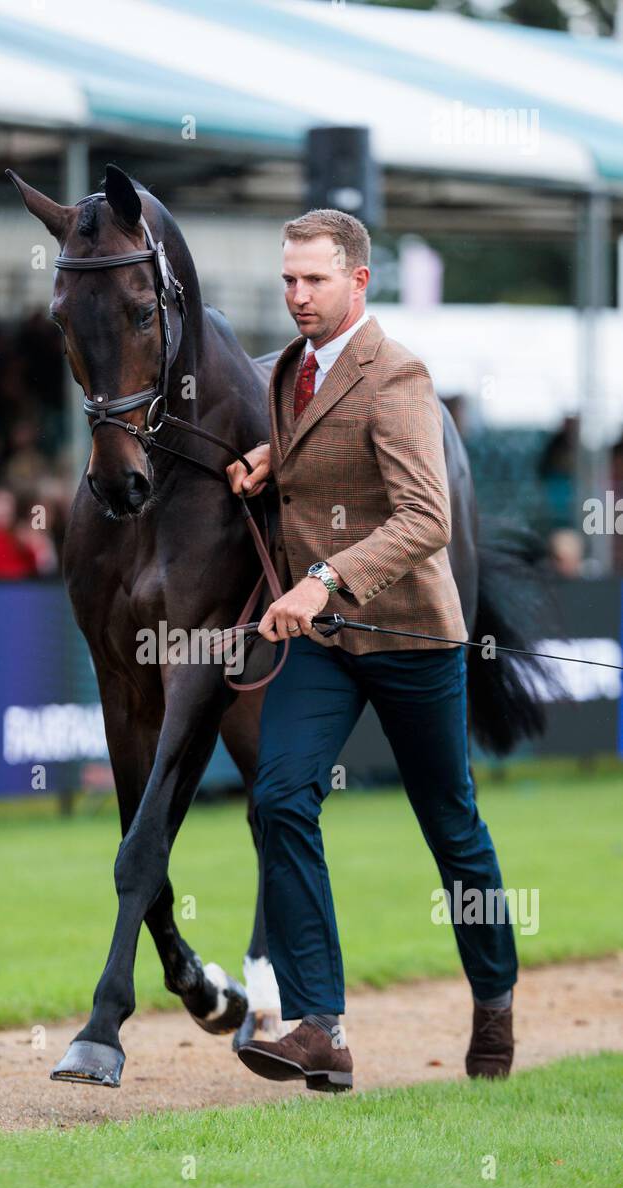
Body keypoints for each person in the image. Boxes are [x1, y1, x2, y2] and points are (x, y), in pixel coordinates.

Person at [226, 208, 516, 1092]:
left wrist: (320, 578)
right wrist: (274, 460)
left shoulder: (400, 374)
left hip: (409, 634)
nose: (297, 294)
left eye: (313, 279)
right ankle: (321, 1027)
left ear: (359, 280)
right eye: (287, 279)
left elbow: (427, 517)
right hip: (324, 638)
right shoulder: (287, 371)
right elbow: (330, 447)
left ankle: (495, 997)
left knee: (450, 823)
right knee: (279, 799)